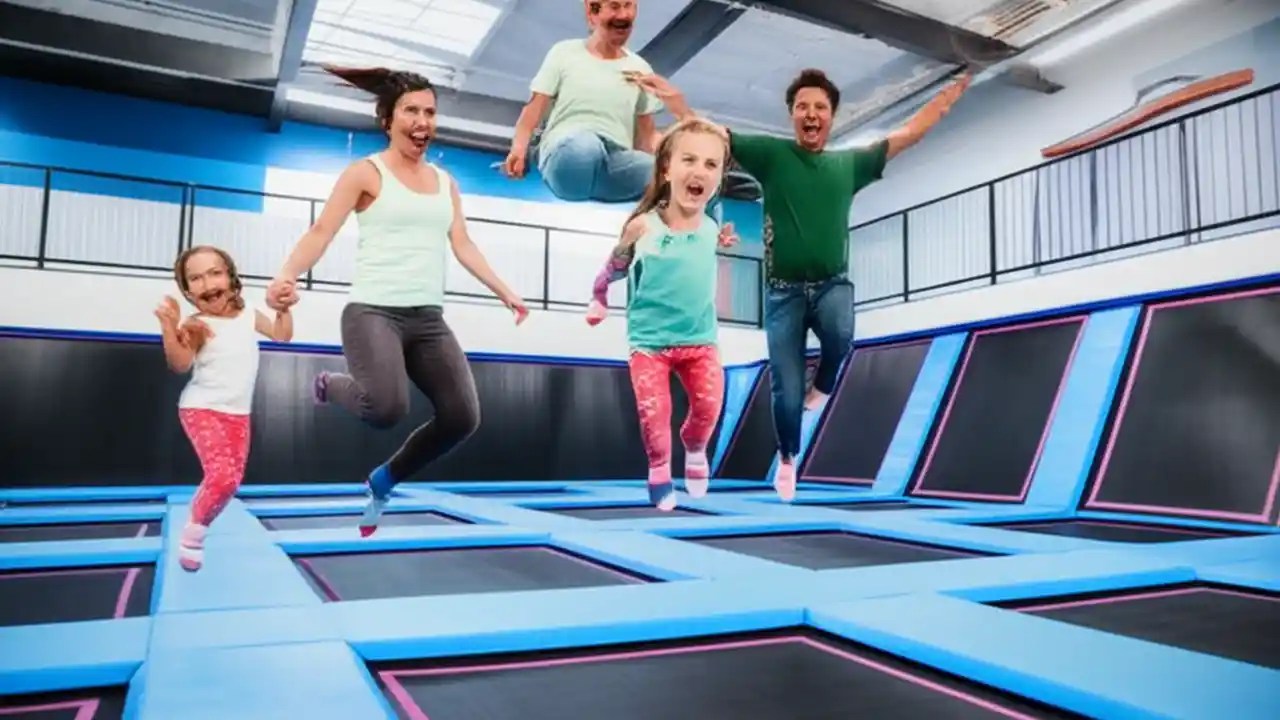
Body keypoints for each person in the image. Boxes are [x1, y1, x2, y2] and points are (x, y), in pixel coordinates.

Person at [632, 68, 970, 501]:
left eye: (820, 107)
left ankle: (823, 385)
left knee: (841, 336)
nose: (811, 114)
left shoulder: (850, 164)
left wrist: (948, 97)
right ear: (792, 115)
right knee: (786, 390)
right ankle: (788, 457)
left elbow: (908, 134)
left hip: (831, 285)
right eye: (802, 107)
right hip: (782, 293)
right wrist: (677, 101)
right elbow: (710, 137)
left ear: (831, 116)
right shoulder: (773, 156)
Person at [265, 66, 529, 537]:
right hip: (373, 312)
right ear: (388, 120)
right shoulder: (366, 173)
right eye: (411, 111)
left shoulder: (446, 182)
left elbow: (463, 243)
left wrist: (504, 290)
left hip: (427, 319)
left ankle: (384, 480)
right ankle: (329, 383)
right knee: (385, 408)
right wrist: (286, 274)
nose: (422, 121)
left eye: (430, 112)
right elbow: (321, 231)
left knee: (463, 418)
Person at [585, 117, 735, 510]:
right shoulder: (642, 227)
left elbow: (699, 250)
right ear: (667, 169)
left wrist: (722, 240)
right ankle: (660, 470)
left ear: (719, 178)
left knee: (708, 408)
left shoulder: (711, 227)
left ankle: (695, 447)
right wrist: (600, 296)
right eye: (689, 160)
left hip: (700, 339)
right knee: (654, 417)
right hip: (649, 342)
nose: (699, 171)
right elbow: (614, 265)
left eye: (711, 164)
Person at [158, 245, 294, 571]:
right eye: (196, 279)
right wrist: (169, 328)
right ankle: (193, 533)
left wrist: (283, 309)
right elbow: (179, 364)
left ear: (232, 279)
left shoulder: (249, 315)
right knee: (221, 478)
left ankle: (199, 524)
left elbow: (282, 335)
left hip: (238, 414)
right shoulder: (196, 325)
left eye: (215, 274)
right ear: (188, 292)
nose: (207, 285)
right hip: (202, 408)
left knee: (231, 482)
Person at [501, 0, 693, 204]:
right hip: (570, 156)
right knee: (586, 146)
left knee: (666, 173)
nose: (623, 15)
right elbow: (534, 109)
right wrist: (518, 149)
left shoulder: (640, 69)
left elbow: (647, 136)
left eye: (628, 6)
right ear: (592, 12)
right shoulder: (565, 53)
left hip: (613, 166)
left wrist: (677, 162)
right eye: (615, 6)